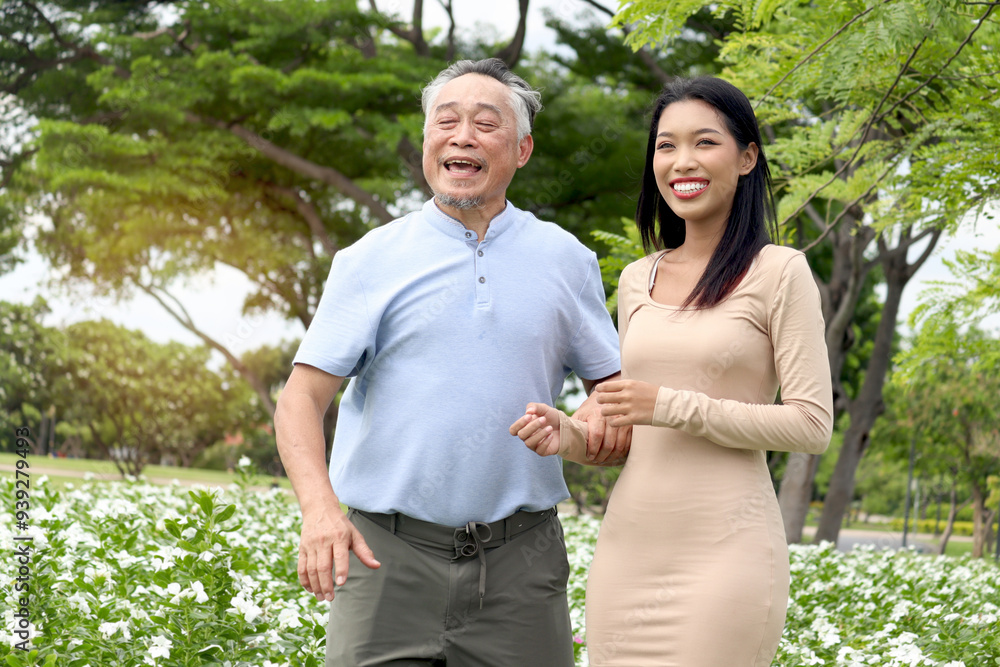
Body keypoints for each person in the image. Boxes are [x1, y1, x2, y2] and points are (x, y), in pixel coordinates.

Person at [274, 58, 628, 667]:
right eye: (446, 121)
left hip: (522, 565)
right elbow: (299, 401)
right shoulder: (370, 259)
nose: (462, 136)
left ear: (522, 150)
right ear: (427, 142)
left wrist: (584, 422)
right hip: (384, 558)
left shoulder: (566, 260)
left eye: (485, 124)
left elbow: (616, 396)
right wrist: (320, 511)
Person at [510, 76, 834, 666]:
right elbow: (633, 434)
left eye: (705, 142)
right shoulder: (638, 277)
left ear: (746, 157)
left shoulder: (780, 271)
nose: (682, 161)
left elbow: (811, 425)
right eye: (666, 145)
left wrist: (669, 404)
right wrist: (573, 437)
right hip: (629, 552)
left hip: (727, 556)